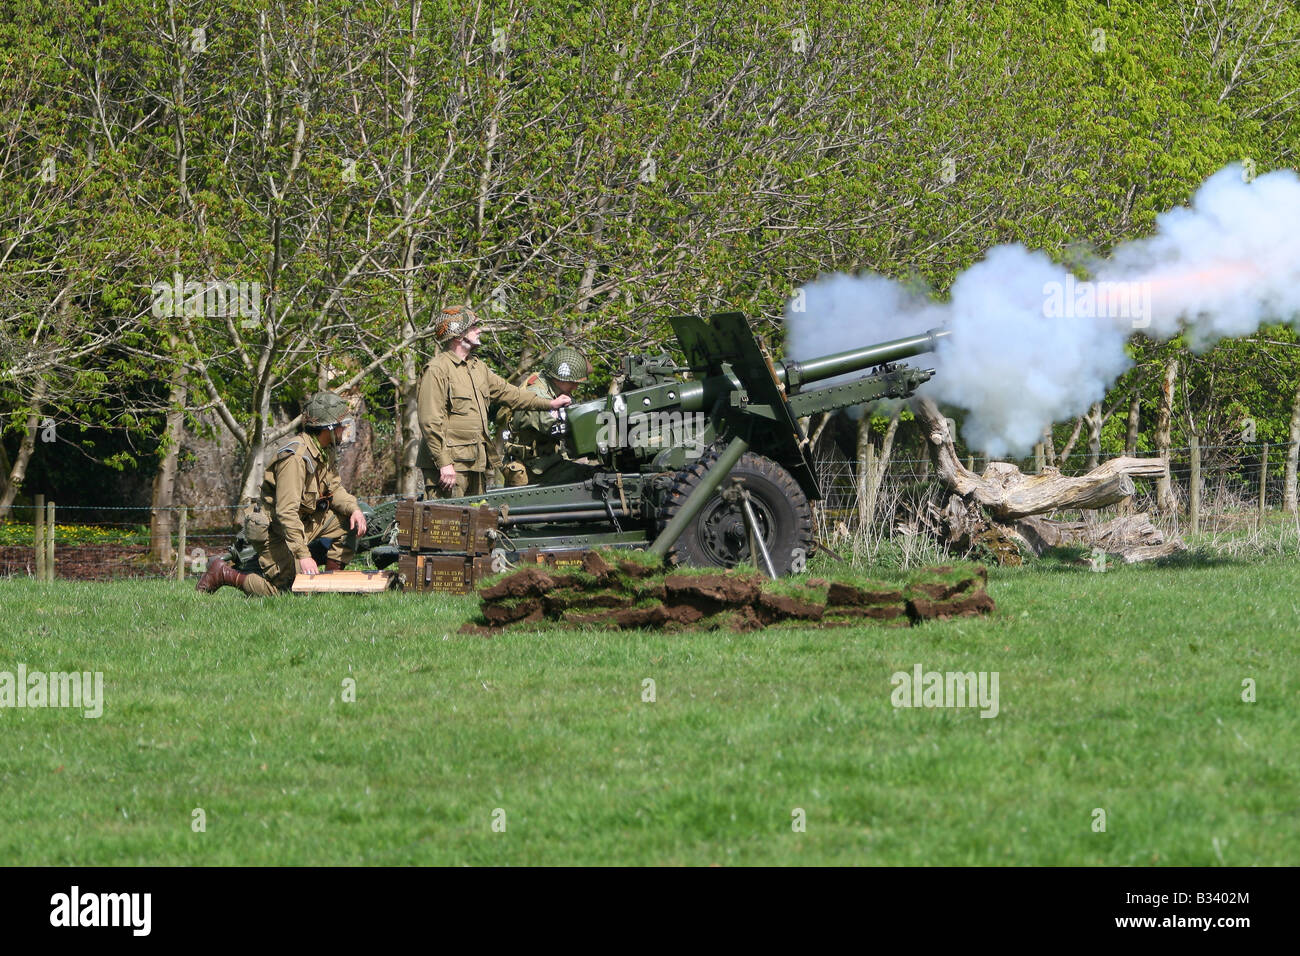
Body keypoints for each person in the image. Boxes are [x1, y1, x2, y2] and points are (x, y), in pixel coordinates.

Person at [197, 391, 368, 597]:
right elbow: (287, 512)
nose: (344, 429)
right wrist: (303, 555)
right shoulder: (295, 459)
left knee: (347, 521)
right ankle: (224, 573)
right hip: (273, 530)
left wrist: (354, 509)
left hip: (302, 522)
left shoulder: (325, 449)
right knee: (288, 591)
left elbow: (334, 487)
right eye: (342, 424)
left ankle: (328, 586)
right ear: (328, 428)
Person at [416, 305, 571, 498]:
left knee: (477, 522)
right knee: (448, 524)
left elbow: (512, 394)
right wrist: (444, 463)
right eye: (473, 327)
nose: (479, 330)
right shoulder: (437, 370)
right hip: (450, 468)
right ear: (458, 335)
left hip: (475, 462)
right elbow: (429, 421)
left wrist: (549, 404)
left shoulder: (478, 368)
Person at [500, 346, 596, 486]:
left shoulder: (550, 384)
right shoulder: (537, 394)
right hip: (533, 470)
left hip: (547, 463)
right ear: (560, 377)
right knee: (592, 478)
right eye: (573, 382)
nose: (575, 387)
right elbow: (555, 425)